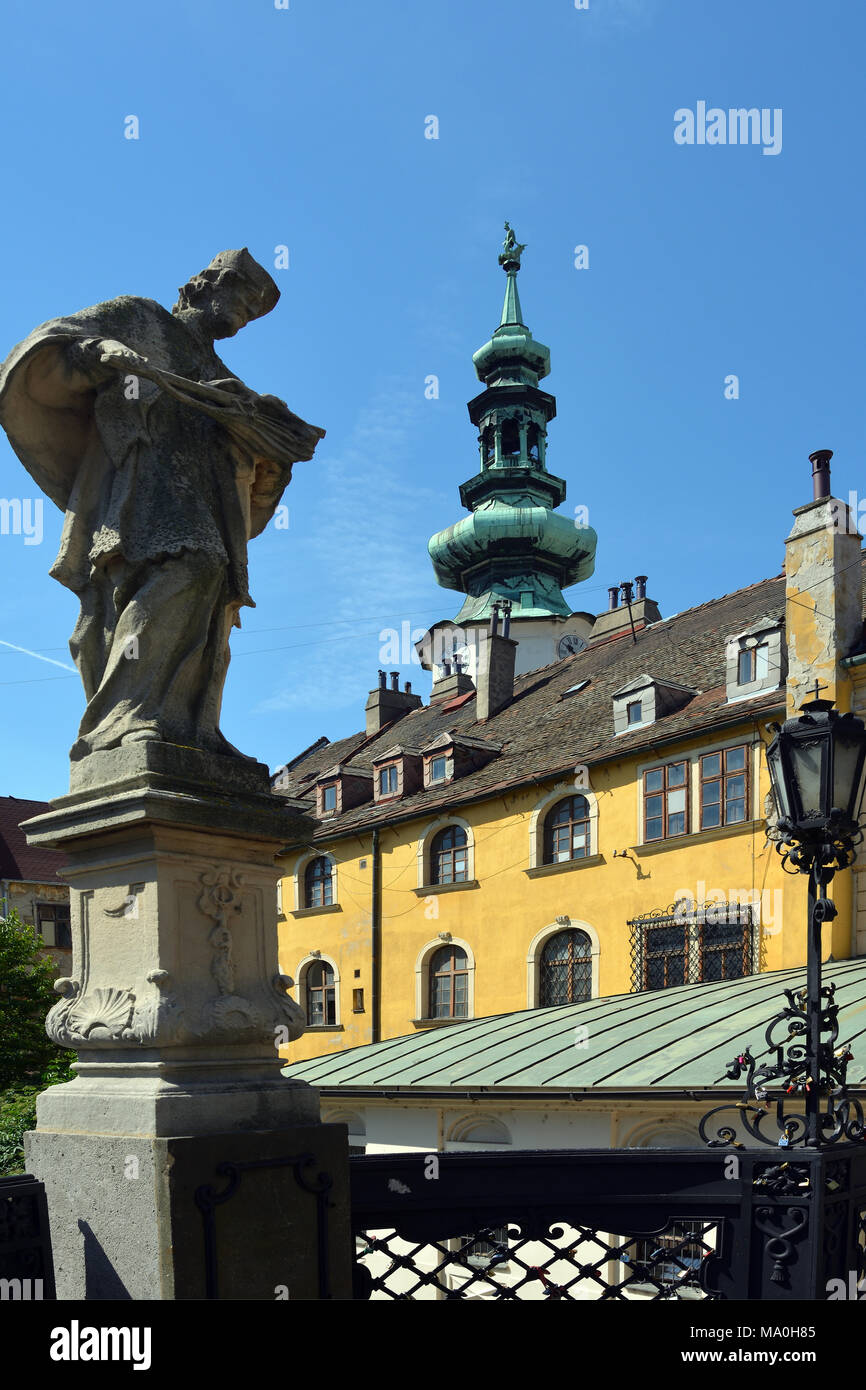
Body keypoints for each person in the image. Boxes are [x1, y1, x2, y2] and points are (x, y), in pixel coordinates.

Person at [0, 248, 323, 761]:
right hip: (138, 484)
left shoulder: (220, 373)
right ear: (206, 286)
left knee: (212, 593)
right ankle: (126, 716)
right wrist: (100, 352)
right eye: (241, 303)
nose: (243, 320)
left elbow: (256, 469)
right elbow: (55, 343)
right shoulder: (140, 317)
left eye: (251, 314)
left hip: (200, 496)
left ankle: (193, 727)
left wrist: (265, 442)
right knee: (190, 567)